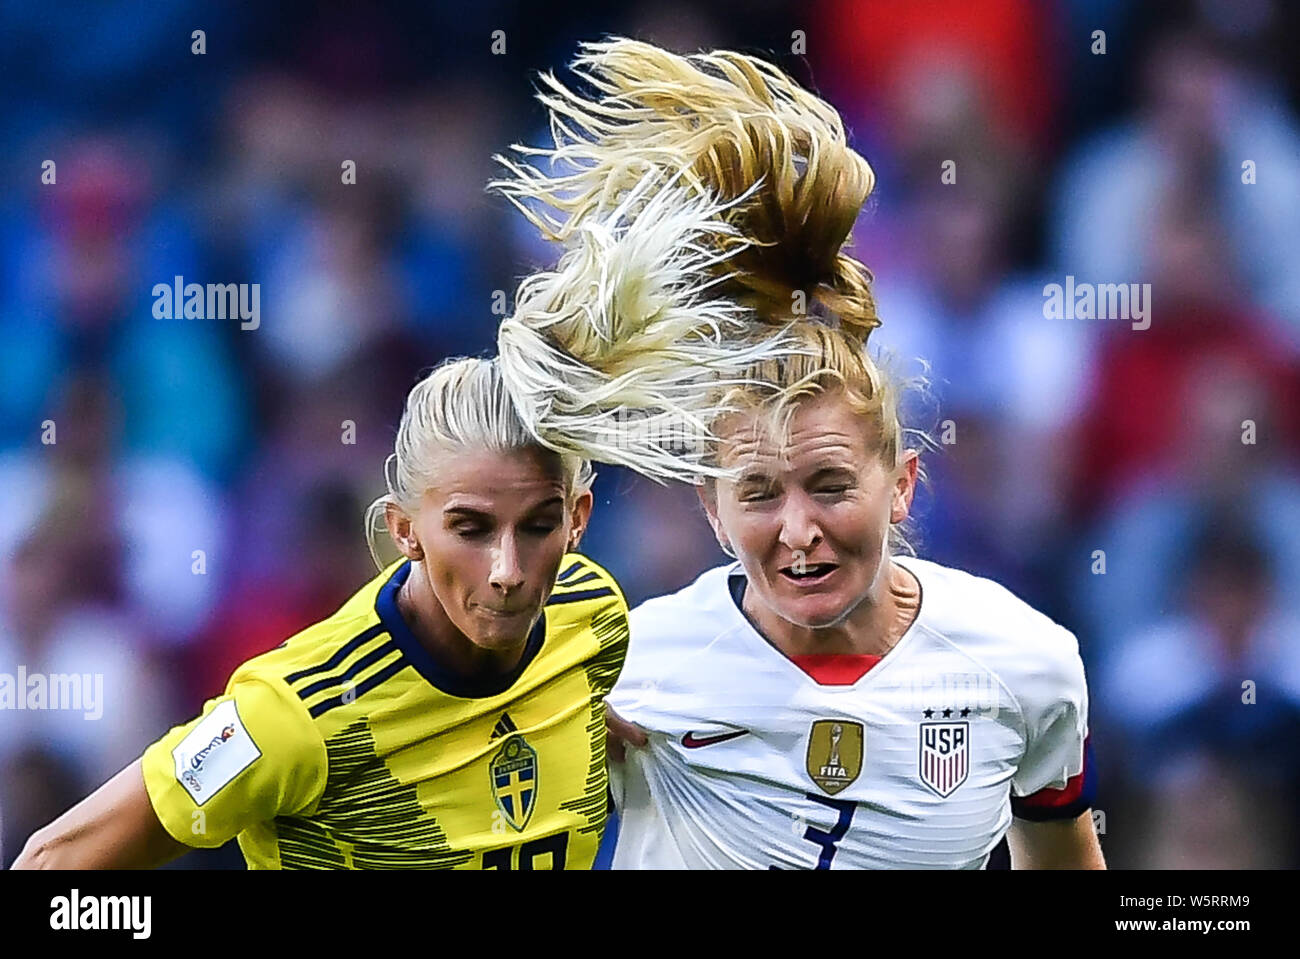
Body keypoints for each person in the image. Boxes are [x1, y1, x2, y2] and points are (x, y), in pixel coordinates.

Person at [491, 38, 1105, 869]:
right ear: (711, 508)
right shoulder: (626, 669)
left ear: (902, 484)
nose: (798, 528)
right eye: (758, 492)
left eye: (830, 484)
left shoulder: (1025, 664)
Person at [13, 358, 628, 869]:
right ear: (404, 530)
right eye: (471, 529)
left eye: (539, 526)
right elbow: (54, 861)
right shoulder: (294, 713)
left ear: (578, 519)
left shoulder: (593, 617)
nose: (508, 571)